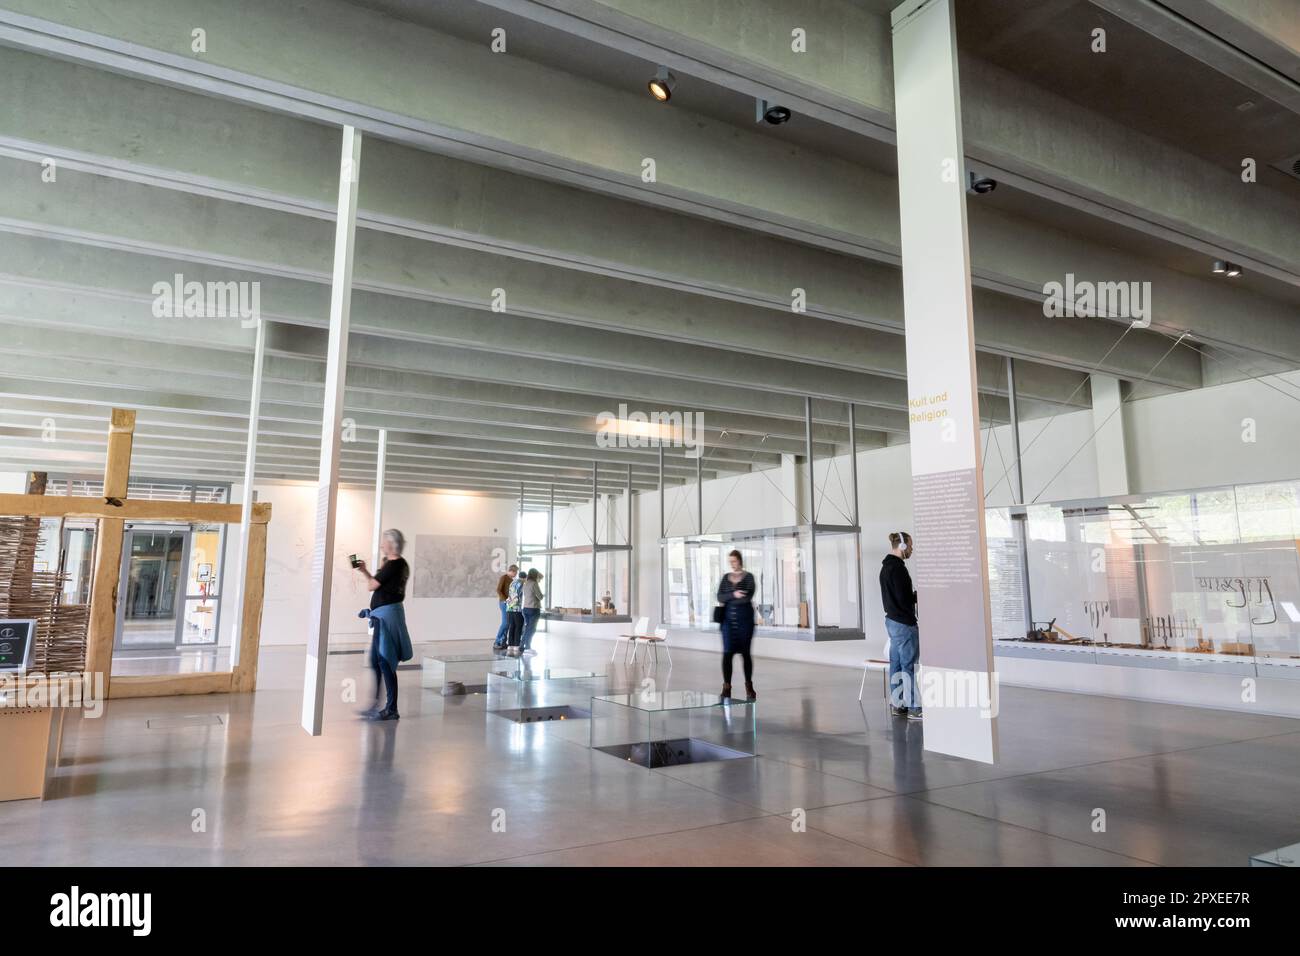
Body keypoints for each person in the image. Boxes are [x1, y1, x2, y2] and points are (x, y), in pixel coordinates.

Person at [354, 529, 412, 721]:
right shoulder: (397, 564)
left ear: (391, 544)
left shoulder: (394, 564)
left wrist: (366, 571)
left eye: (383, 543)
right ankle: (378, 704)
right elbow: (379, 583)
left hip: (387, 618)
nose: (381, 546)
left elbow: (372, 585)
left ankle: (391, 707)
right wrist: (371, 570)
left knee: (385, 661)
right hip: (385, 616)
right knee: (376, 661)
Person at [880, 531, 921, 720]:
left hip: (892, 622)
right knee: (907, 666)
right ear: (902, 546)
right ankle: (914, 707)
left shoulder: (886, 568)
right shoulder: (898, 569)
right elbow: (903, 598)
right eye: (910, 546)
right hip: (904, 624)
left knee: (896, 664)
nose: (911, 549)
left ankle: (899, 705)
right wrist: (917, 597)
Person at [715, 549, 757, 701]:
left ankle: (749, 687)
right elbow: (719, 596)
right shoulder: (726, 577)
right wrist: (733, 594)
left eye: (734, 561)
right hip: (727, 623)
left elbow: (747, 597)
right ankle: (726, 687)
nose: (732, 564)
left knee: (745, 654)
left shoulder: (749, 577)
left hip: (745, 622)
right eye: (730, 561)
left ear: (740, 560)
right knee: (727, 654)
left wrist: (729, 598)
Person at [519, 568, 544, 656]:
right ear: (535, 575)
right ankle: (527, 647)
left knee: (527, 628)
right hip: (533, 608)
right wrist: (542, 595)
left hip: (525, 608)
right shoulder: (534, 583)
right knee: (531, 629)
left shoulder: (525, 583)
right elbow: (540, 596)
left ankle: (523, 645)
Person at [492, 564, 518, 650]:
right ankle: (497, 641)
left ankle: (503, 642)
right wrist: (505, 599)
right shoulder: (504, 578)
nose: (516, 574)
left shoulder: (511, 580)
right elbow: (498, 589)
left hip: (509, 603)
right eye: (516, 572)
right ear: (512, 571)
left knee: (508, 623)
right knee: (505, 623)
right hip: (504, 603)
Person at [504, 567, 526, 657]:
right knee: (518, 626)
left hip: (509, 607)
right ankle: (516, 645)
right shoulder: (522, 584)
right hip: (517, 608)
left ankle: (510, 645)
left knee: (511, 626)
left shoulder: (512, 582)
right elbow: (522, 597)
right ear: (525, 578)